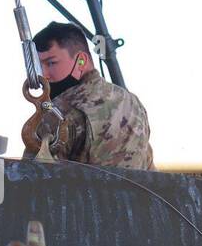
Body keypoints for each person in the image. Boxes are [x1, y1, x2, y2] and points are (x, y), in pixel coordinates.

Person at [24, 21, 153, 169]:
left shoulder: (59, 113)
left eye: (51, 63)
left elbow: (29, 180)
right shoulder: (133, 102)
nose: (44, 75)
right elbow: (148, 165)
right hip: (135, 192)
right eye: (39, 66)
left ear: (81, 61)